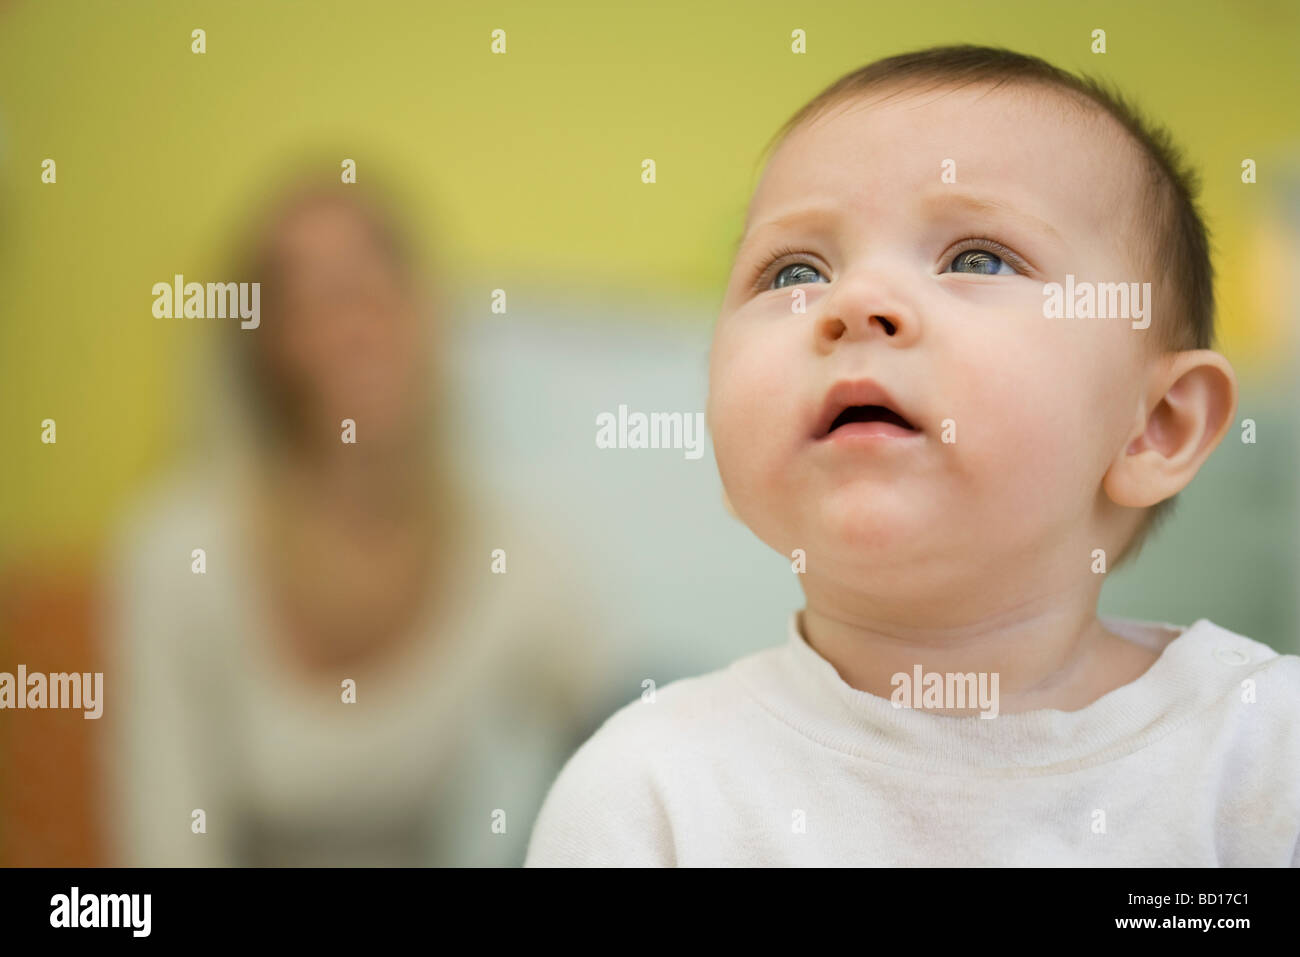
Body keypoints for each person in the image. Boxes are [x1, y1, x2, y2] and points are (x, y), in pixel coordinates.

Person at [524, 45, 1300, 866]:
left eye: (975, 258)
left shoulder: (1259, 753)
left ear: (1157, 426)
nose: (856, 303)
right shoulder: (649, 792)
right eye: (795, 269)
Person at [102, 171, 609, 866]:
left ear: (426, 310)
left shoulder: (516, 561)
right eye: (309, 297)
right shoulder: (179, 552)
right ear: (262, 349)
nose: (355, 318)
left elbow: (624, 740)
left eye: (376, 277)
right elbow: (161, 851)